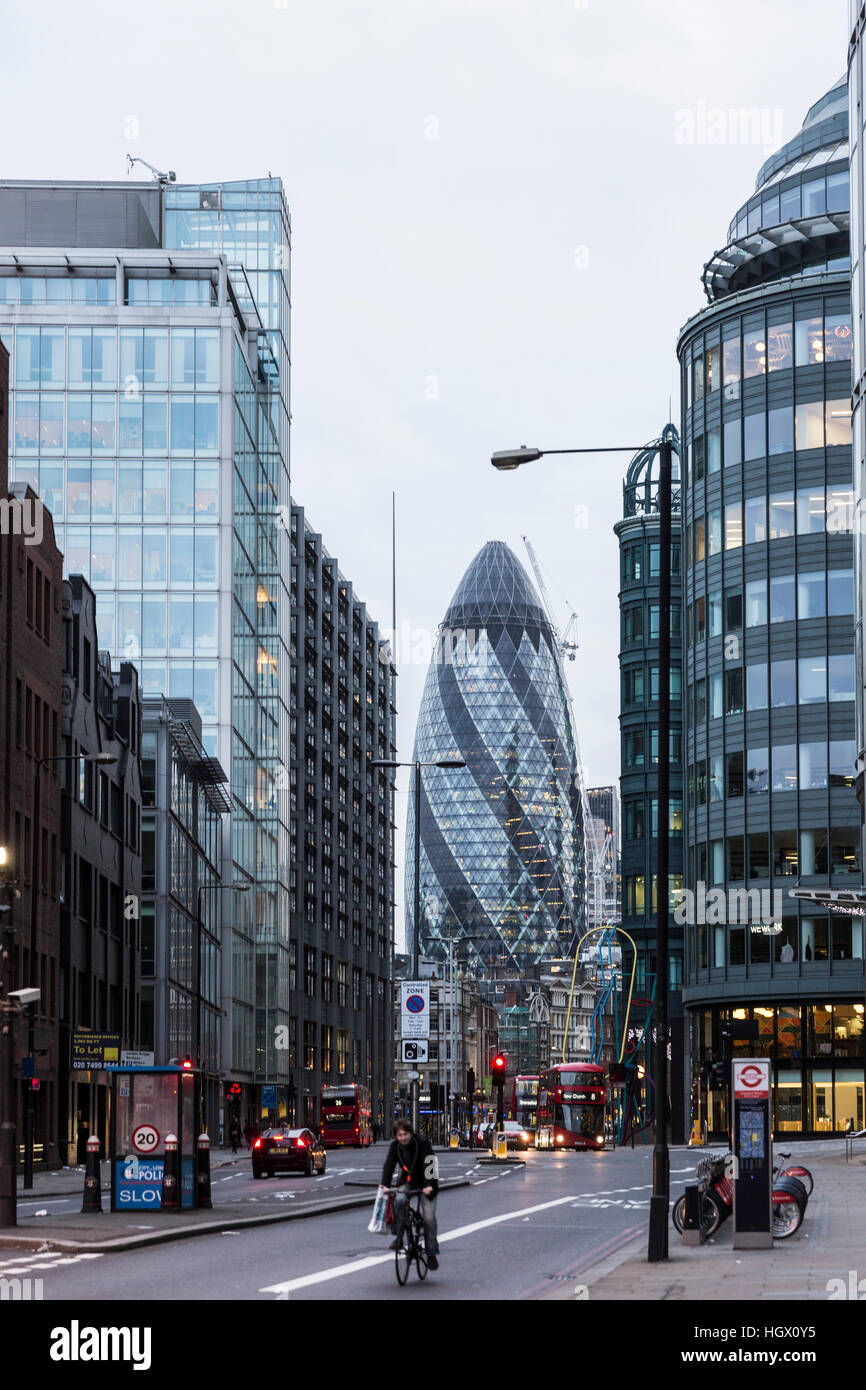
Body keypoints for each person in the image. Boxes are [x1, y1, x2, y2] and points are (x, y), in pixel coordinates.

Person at [380, 1119, 440, 1269]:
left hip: (427, 1183)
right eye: (400, 1135)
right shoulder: (395, 1147)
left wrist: (429, 1186)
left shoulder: (422, 1143)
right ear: (396, 1136)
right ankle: (399, 1237)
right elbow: (389, 1165)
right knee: (399, 1200)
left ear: (411, 1133)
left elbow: (430, 1163)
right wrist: (385, 1185)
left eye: (405, 1134)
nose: (403, 1138)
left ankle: (431, 1253)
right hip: (407, 1182)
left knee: (428, 1218)